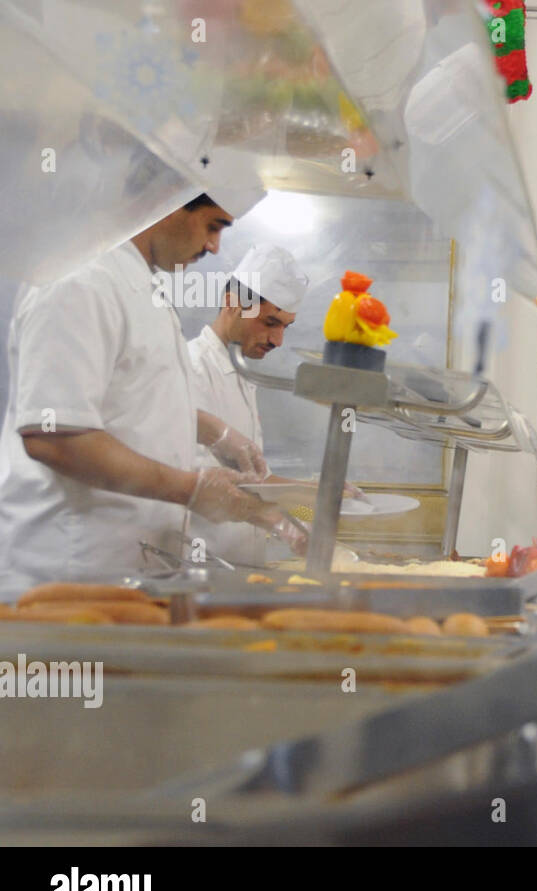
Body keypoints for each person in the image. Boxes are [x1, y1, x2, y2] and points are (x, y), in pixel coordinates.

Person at [0, 191, 303, 599]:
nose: (215, 247)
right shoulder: (78, 280)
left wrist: (212, 430)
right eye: (213, 226)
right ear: (167, 201)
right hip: (68, 576)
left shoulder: (144, 289)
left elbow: (131, 399)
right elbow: (53, 438)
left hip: (131, 574)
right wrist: (191, 489)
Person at [187, 244, 307, 566]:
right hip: (203, 568)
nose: (278, 340)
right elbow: (201, 482)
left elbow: (257, 481)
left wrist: (319, 496)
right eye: (270, 322)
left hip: (241, 569)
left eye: (285, 327)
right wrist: (283, 522)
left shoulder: (241, 375)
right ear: (232, 303)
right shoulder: (191, 368)